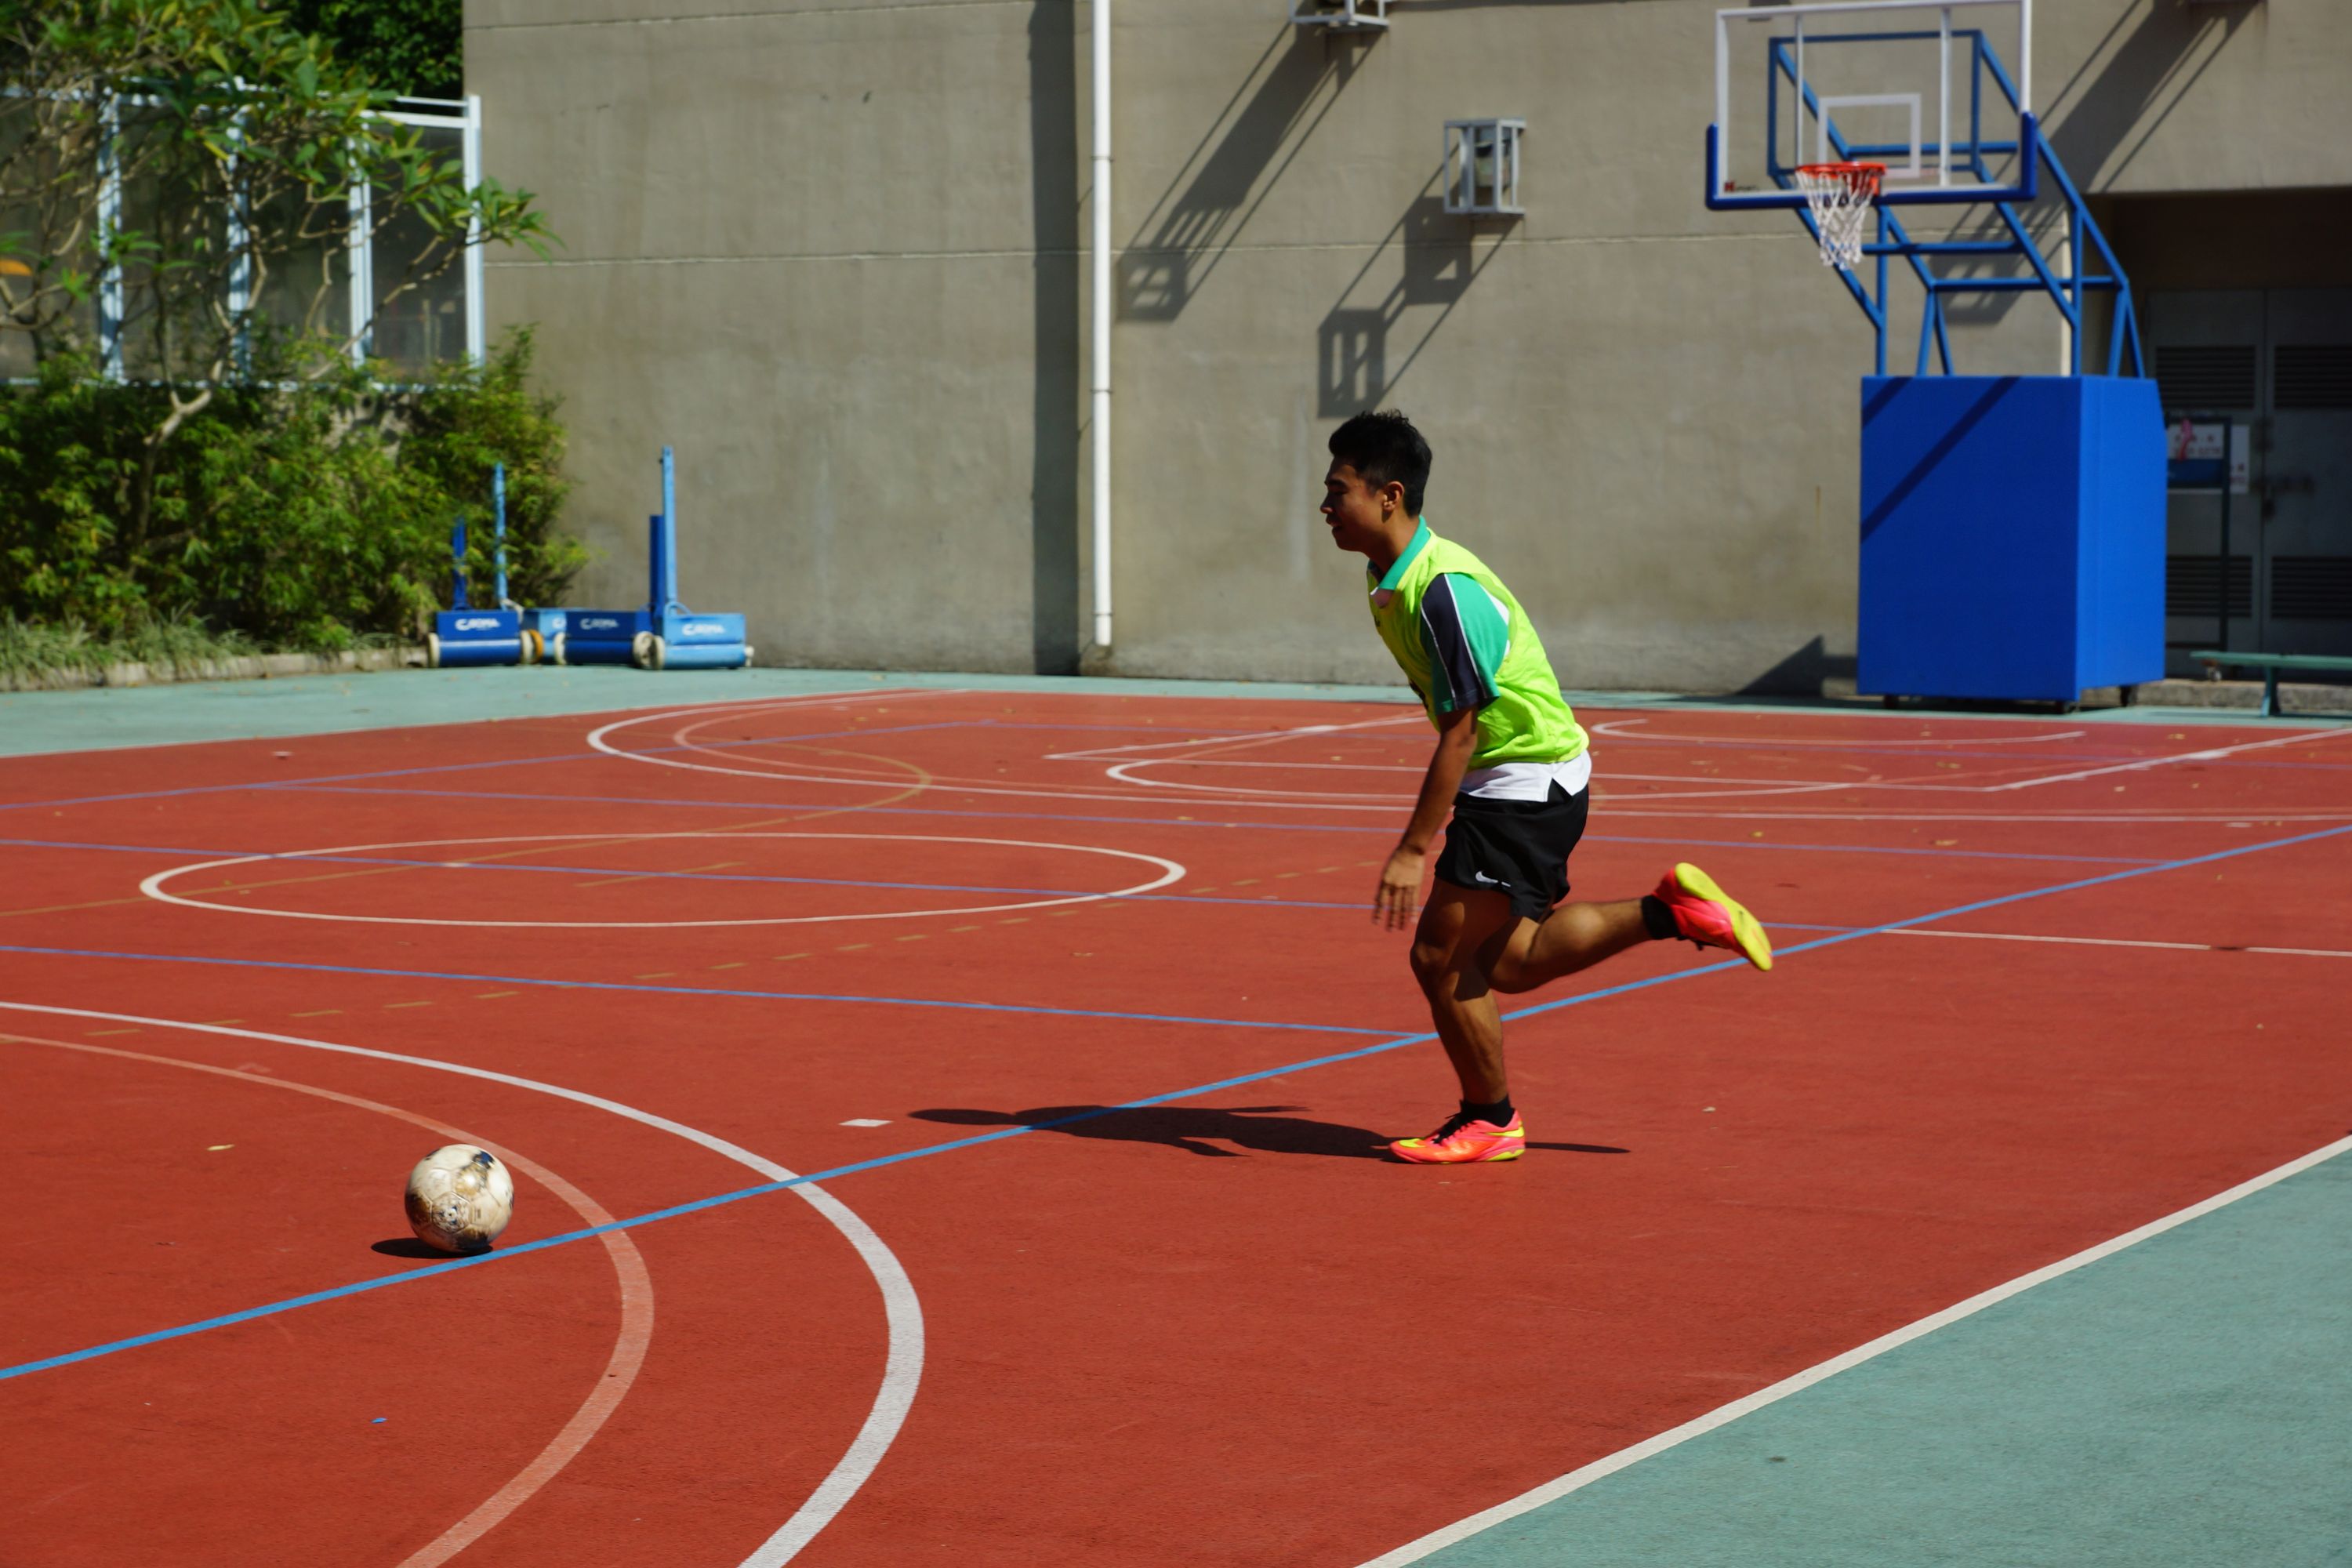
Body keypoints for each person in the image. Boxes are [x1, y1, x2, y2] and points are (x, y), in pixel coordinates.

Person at [1318, 410, 1773, 1165]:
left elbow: (1461, 732)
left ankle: (1489, 1119)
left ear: (1389, 495)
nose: (1326, 506)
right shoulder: (1389, 576)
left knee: (1440, 959)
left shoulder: (1443, 593)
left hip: (1521, 784)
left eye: (1339, 490)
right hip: (1530, 778)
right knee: (1509, 962)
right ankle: (1673, 913)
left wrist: (1410, 849)